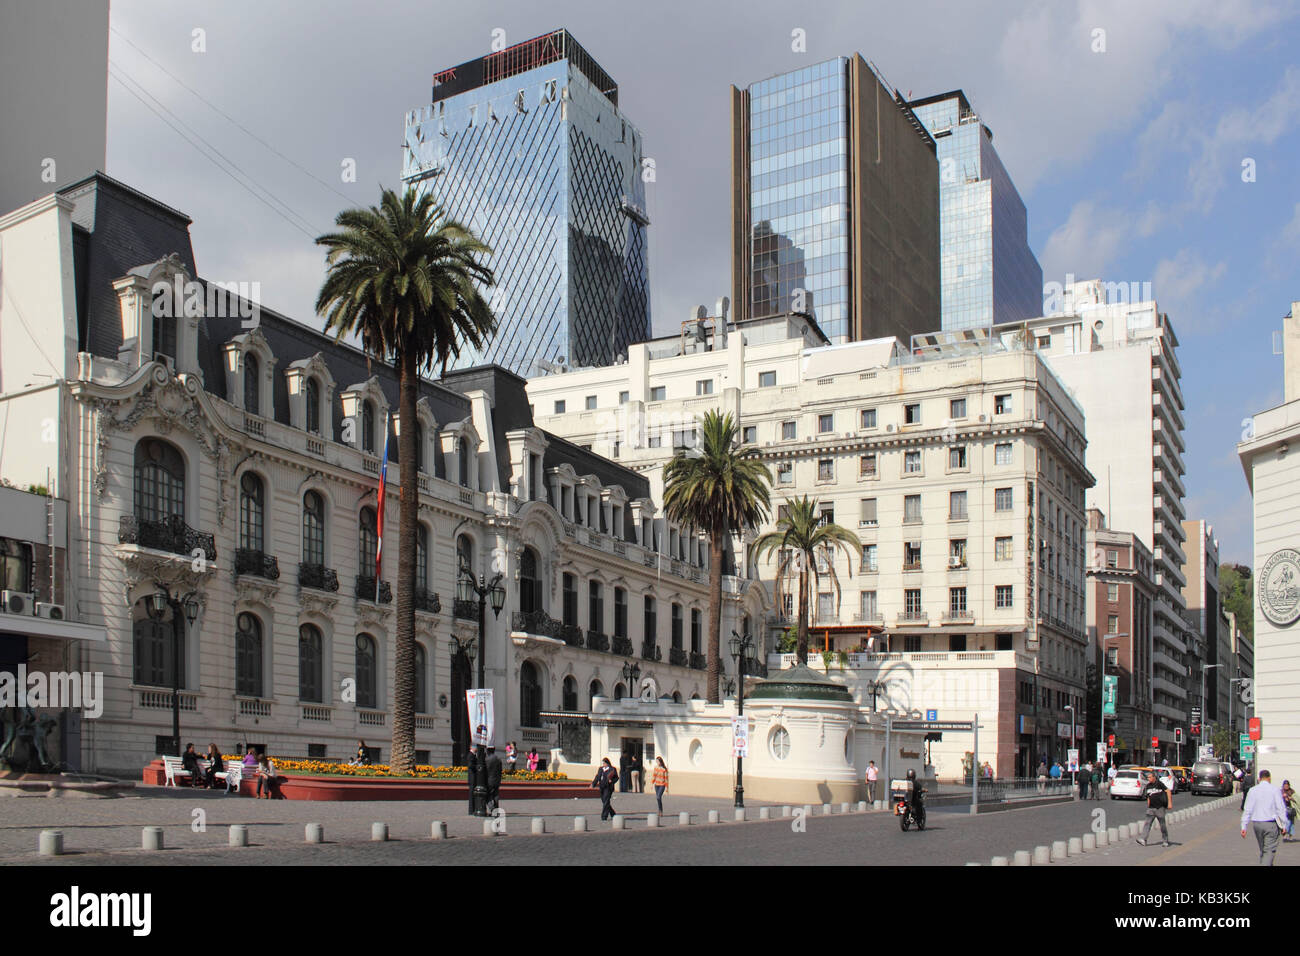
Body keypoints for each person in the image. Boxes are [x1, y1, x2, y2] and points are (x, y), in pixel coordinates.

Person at [1241, 769, 1288, 865]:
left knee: (1264, 850)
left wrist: (1244, 826)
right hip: (1271, 825)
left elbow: (1247, 809)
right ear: (1269, 778)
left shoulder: (1252, 790)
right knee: (1269, 851)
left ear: (1259, 779)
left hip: (1257, 824)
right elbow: (1280, 809)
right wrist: (1284, 825)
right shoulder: (1275, 790)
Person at [1137, 769, 1172, 847]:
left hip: (1160, 808)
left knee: (1162, 825)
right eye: (1148, 778)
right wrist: (1148, 805)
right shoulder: (1148, 786)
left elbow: (1168, 791)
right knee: (1147, 823)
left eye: (1149, 777)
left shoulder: (1159, 784)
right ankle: (1143, 839)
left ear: (1154, 777)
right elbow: (1148, 797)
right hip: (1151, 809)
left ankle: (1165, 840)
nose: (1148, 779)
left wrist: (1169, 803)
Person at [485, 747, 503, 812]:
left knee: (487, 795)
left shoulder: (486, 759)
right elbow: (500, 770)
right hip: (497, 780)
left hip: (489, 780)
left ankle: (492, 807)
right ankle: (496, 809)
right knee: (496, 795)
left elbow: (485, 771)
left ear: (487, 751)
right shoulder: (498, 759)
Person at [466, 744, 479, 813]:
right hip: (472, 777)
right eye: (476, 747)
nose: (477, 748)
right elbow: (470, 765)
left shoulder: (473, 755)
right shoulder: (471, 755)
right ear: (472, 747)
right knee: (472, 794)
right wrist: (477, 767)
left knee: (473, 793)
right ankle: (471, 810)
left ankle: (473, 809)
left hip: (473, 777)